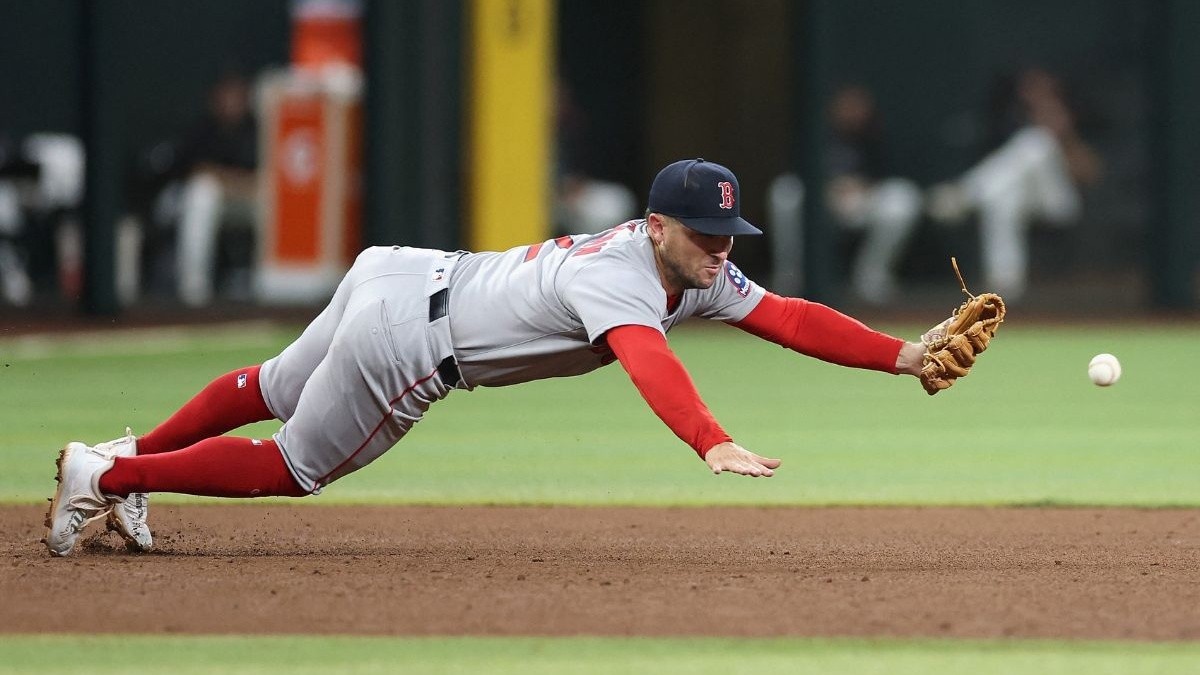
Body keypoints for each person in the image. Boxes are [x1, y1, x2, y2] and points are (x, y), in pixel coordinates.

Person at [43, 158, 932, 557]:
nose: (722, 250)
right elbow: (648, 363)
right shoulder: (626, 276)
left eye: (730, 234)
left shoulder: (692, 267)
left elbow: (791, 318)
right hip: (412, 340)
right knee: (291, 464)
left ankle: (127, 459)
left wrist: (904, 355)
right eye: (706, 234)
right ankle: (105, 479)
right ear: (657, 225)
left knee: (270, 386)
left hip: (402, 272)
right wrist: (708, 439)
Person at [926, 67, 1102, 300]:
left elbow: (1091, 173)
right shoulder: (1012, 122)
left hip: (1059, 203)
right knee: (1003, 201)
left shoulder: (1071, 117)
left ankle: (965, 195)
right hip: (1024, 199)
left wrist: (1065, 139)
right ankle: (1005, 285)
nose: (1034, 93)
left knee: (1037, 144)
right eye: (1029, 87)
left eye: (1040, 86)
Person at [769, 84, 923, 304]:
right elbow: (798, 170)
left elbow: (891, 175)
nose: (852, 112)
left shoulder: (877, 134)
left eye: (857, 106)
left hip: (865, 201)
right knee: (784, 191)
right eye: (846, 106)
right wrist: (826, 187)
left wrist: (863, 187)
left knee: (902, 199)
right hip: (822, 200)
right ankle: (792, 275)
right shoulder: (817, 134)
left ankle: (871, 276)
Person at [169, 70, 260, 306]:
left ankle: (270, 286)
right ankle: (193, 288)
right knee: (202, 194)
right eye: (226, 95)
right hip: (205, 202)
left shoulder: (256, 129)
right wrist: (231, 181)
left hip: (249, 201)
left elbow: (265, 177)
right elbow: (197, 172)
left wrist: (228, 180)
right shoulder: (203, 129)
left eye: (236, 96)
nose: (231, 102)